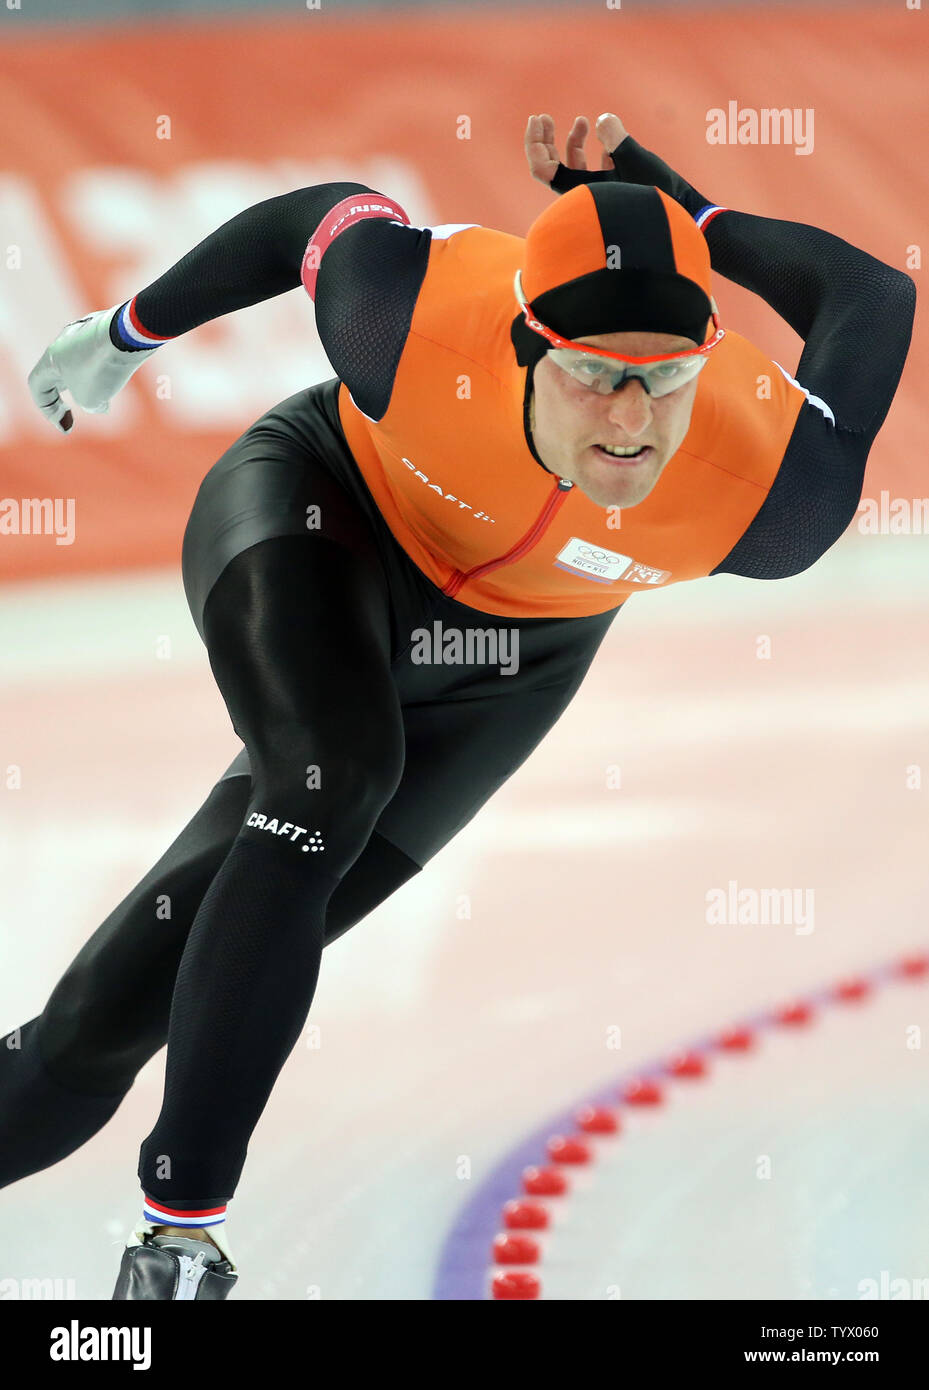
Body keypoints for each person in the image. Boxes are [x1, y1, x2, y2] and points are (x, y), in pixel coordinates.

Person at [4, 111, 914, 1300]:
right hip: (321, 514)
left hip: (510, 663)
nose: (632, 423)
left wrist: (682, 210)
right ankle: (180, 1240)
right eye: (596, 379)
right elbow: (303, 219)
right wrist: (129, 332)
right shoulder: (416, 315)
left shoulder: (774, 492)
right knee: (329, 778)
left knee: (107, 1019)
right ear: (527, 346)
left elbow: (868, 297)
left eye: (666, 381)